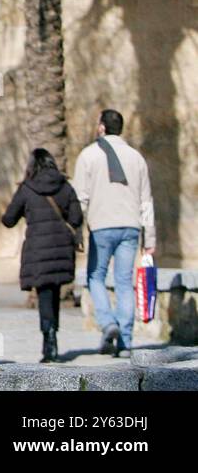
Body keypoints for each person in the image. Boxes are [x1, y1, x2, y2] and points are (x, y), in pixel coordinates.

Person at [71, 109, 155, 357]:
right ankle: (126, 343)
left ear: (101, 128)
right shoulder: (136, 158)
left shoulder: (88, 156)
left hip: (101, 227)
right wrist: (149, 238)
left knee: (95, 276)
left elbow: (80, 199)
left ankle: (108, 323)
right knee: (124, 282)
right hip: (130, 226)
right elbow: (146, 201)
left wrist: (76, 231)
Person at [1, 148, 83, 362]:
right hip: (62, 248)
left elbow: (9, 219)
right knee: (53, 291)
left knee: (45, 293)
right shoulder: (65, 186)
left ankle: (49, 342)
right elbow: (76, 217)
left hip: (39, 249)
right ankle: (52, 335)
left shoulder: (27, 189)